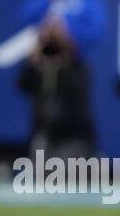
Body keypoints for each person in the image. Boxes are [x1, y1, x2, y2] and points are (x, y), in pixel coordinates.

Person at [17, 17, 95, 158]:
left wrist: (63, 63)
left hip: (73, 136)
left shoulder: (77, 66)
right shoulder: (37, 66)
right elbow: (22, 85)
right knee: (37, 164)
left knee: (65, 166)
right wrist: (33, 63)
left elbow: (76, 92)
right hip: (43, 135)